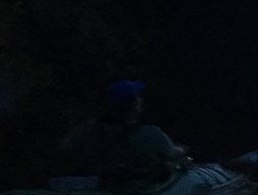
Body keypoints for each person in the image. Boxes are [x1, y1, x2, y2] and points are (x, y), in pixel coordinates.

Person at [58, 80, 188, 187]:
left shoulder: (83, 131)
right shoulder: (150, 134)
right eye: (138, 98)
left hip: (91, 184)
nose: (141, 100)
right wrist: (182, 149)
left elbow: (64, 152)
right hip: (129, 187)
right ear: (135, 105)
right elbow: (173, 153)